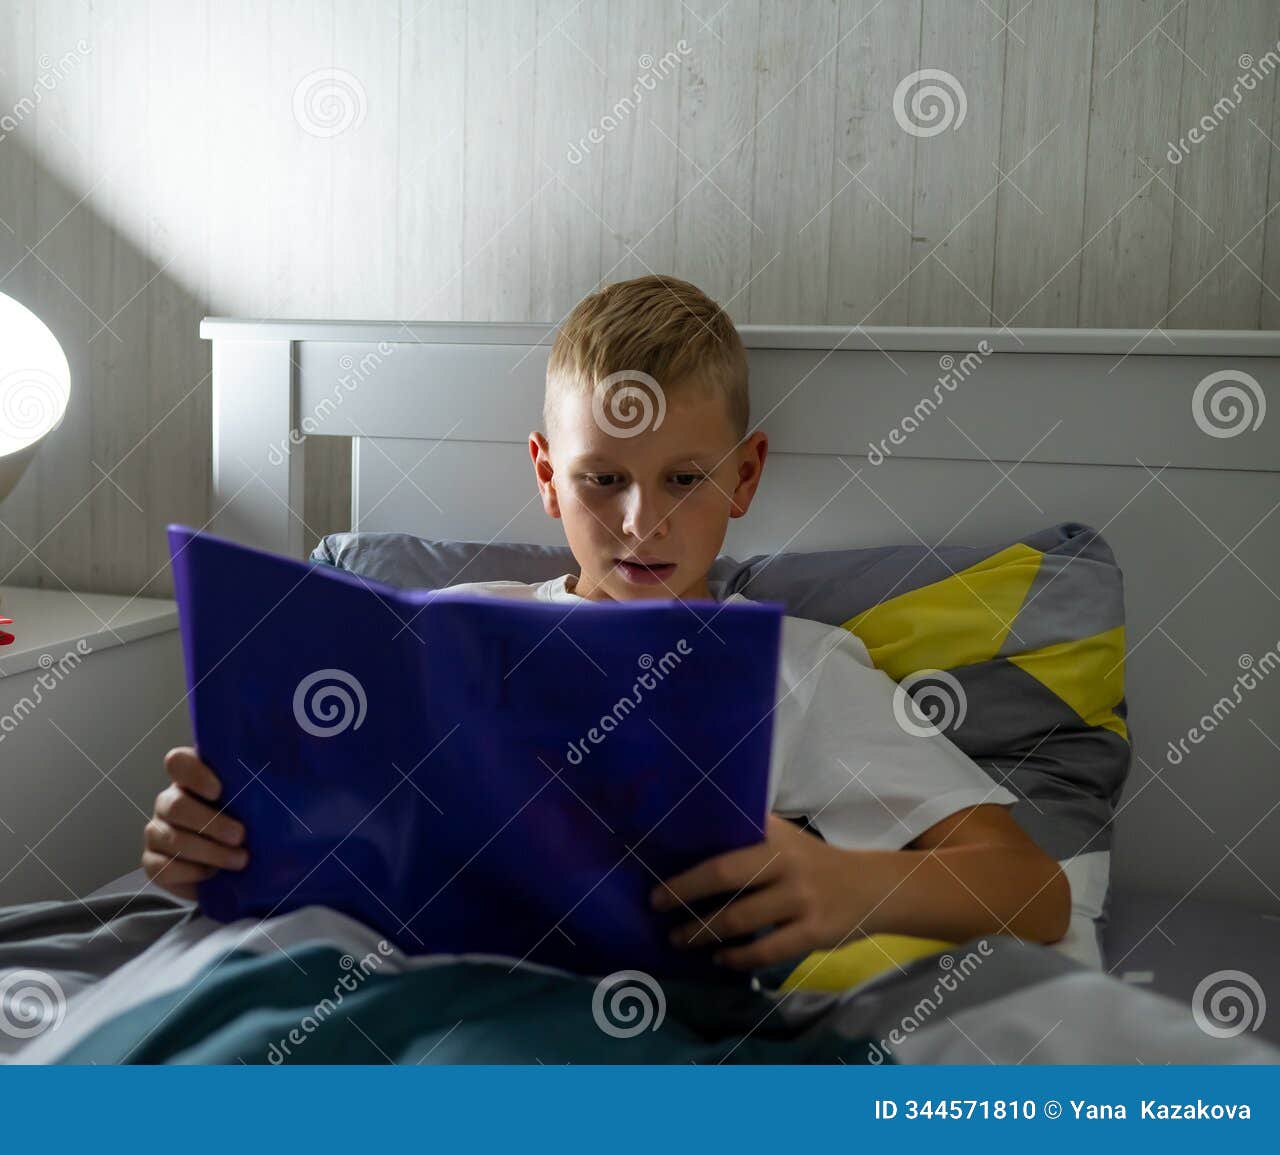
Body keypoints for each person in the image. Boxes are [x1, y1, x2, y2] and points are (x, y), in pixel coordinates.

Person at [143, 275, 1070, 971]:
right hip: (396, 982)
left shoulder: (796, 663)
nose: (641, 523)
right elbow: (322, 832)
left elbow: (1038, 891)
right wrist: (214, 842)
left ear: (744, 477)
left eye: (684, 478)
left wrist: (851, 889)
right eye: (603, 478)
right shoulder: (442, 637)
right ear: (548, 475)